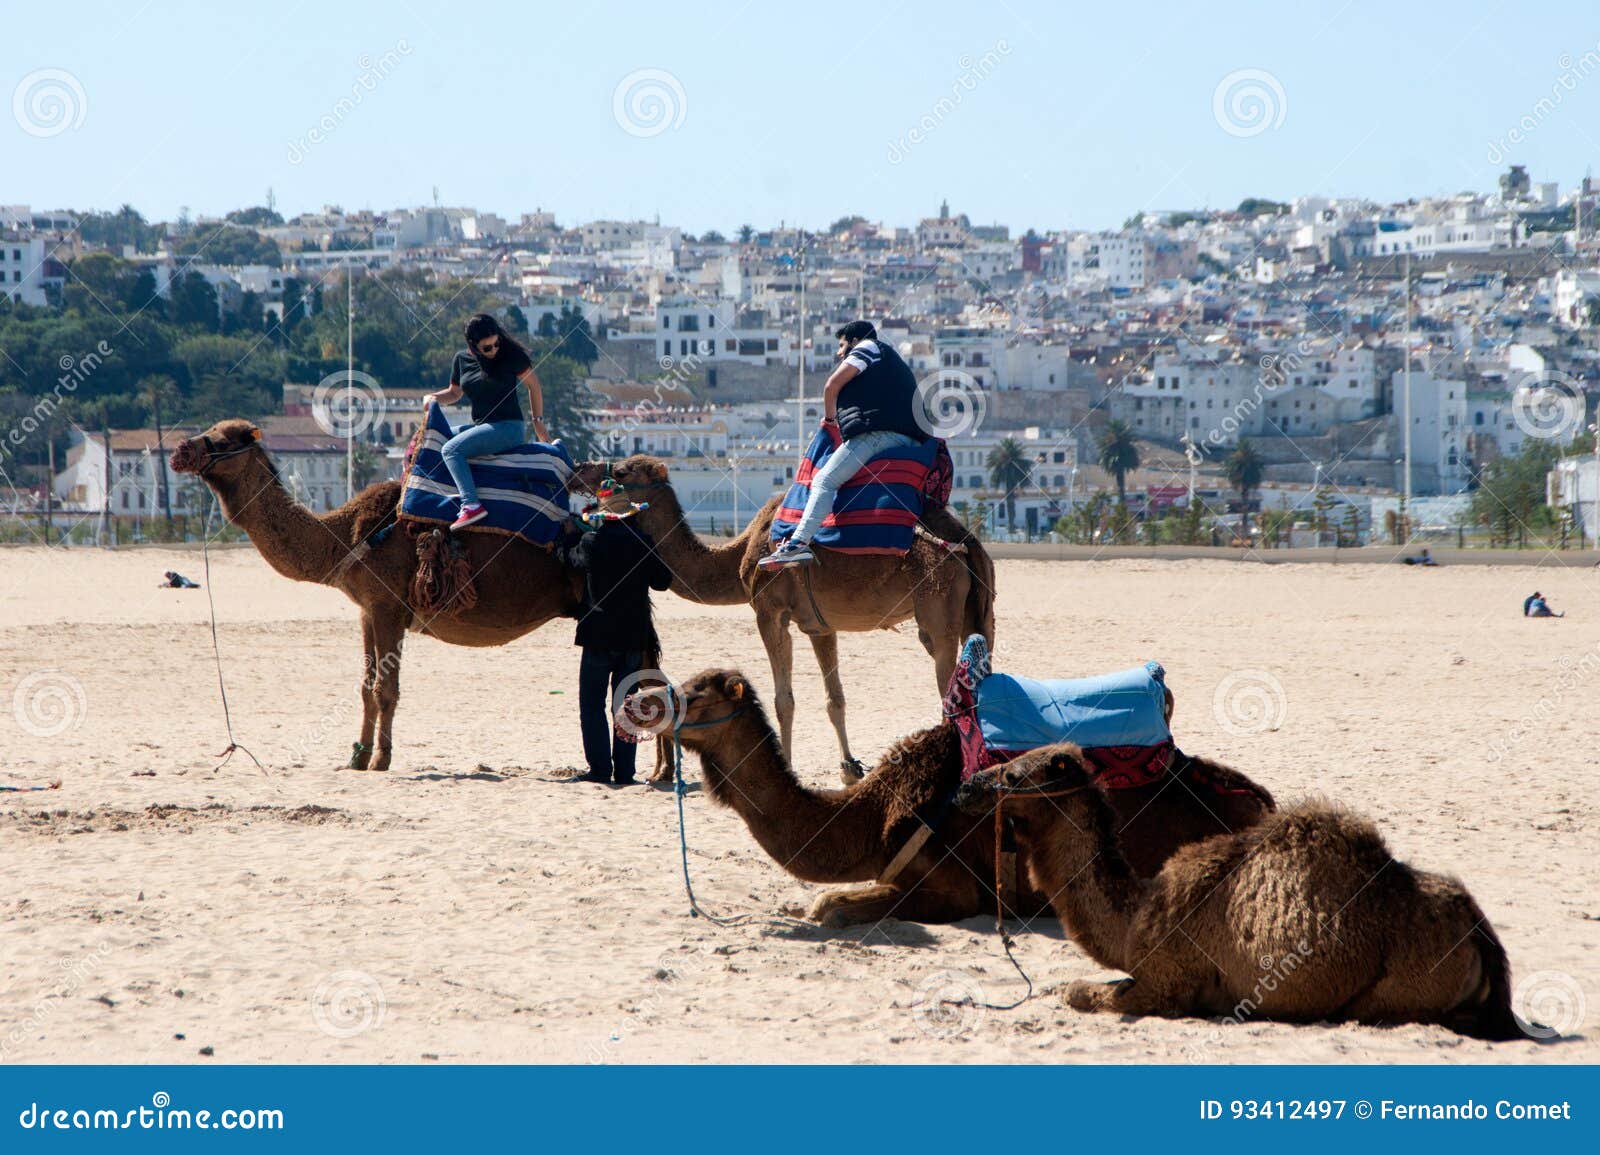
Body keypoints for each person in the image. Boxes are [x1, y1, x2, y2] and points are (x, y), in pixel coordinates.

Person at [760, 320, 928, 569]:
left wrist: (829, 420)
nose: (839, 353)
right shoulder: (888, 360)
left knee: (824, 481)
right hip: (904, 436)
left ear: (854, 341)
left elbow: (832, 385)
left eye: (842, 346)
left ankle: (797, 544)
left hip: (879, 436)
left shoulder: (869, 347)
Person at [559, 480, 674, 784]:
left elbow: (569, 561)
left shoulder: (591, 542)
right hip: (633, 638)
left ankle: (599, 770)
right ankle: (624, 772)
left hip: (597, 637)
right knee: (626, 706)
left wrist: (568, 541)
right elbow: (663, 581)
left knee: (592, 706)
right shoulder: (643, 542)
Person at [423, 313, 549, 531]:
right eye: (487, 347)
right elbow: (454, 394)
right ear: (472, 346)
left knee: (451, 450)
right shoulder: (461, 360)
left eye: (496, 343)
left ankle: (471, 504)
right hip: (482, 427)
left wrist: (537, 422)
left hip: (508, 428)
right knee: (438, 437)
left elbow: (534, 385)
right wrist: (433, 397)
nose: (494, 350)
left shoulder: (510, 356)